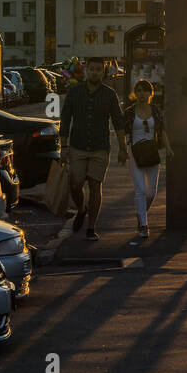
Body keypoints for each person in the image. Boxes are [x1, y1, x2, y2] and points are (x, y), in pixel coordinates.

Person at [59, 57, 129, 242]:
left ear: (104, 72)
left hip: (100, 148)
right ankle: (81, 208)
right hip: (78, 146)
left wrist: (122, 148)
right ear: (87, 71)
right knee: (76, 183)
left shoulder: (109, 94)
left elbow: (118, 122)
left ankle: (91, 227)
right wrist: (63, 147)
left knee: (95, 186)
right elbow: (65, 120)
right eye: (92, 69)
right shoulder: (74, 93)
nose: (95, 72)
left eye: (99, 69)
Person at [123, 79, 172, 243]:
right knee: (141, 190)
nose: (141, 94)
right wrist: (122, 150)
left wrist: (169, 148)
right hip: (134, 152)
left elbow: (162, 130)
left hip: (151, 152)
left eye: (145, 91)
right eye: (138, 91)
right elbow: (122, 132)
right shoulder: (130, 112)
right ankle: (143, 225)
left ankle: (140, 214)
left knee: (151, 193)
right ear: (134, 93)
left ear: (150, 94)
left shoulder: (155, 111)